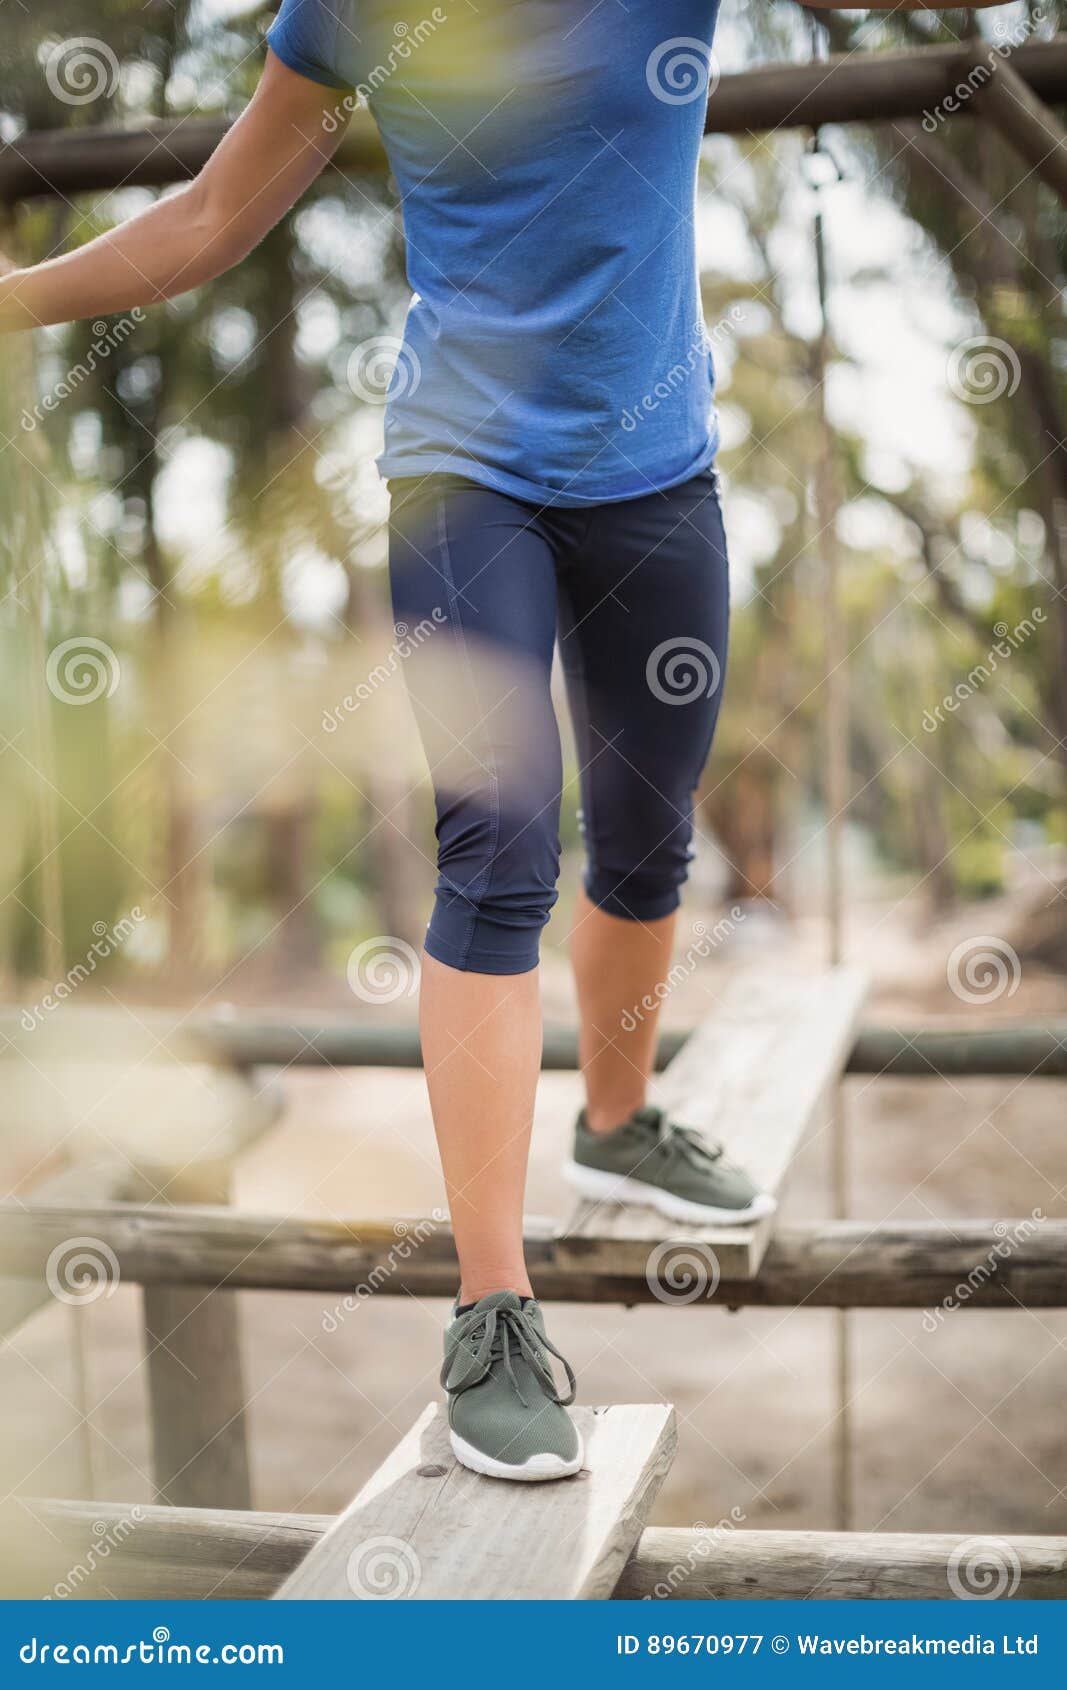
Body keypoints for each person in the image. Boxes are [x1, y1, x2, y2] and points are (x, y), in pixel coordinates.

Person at [0, 0, 1002, 1483]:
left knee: (652, 835)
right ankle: (491, 1309)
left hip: (659, 474)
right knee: (501, 844)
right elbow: (216, 210)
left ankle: (616, 1115)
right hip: (462, 470)